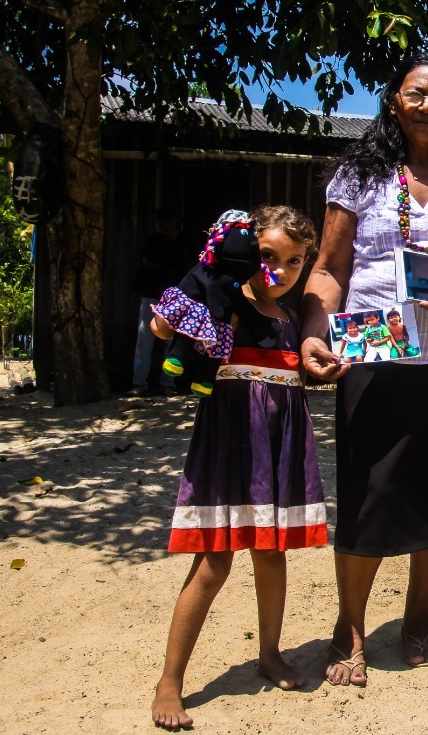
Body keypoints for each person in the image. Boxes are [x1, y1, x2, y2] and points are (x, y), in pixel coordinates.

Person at [300, 51, 428, 685]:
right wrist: (314, 331)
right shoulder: (358, 178)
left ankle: (419, 616)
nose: (427, 106)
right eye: (416, 93)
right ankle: (351, 626)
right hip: (375, 358)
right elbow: (330, 269)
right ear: (394, 99)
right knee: (369, 497)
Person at [150, 205, 326, 730]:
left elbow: (293, 378)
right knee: (213, 564)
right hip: (230, 448)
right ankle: (170, 680)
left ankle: (268, 653)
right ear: (246, 252)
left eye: (296, 261)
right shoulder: (223, 303)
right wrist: (209, 274)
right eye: (268, 256)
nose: (282, 270)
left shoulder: (291, 320)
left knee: (272, 557)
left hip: (277, 449)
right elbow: (163, 326)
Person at [131, 205, 192, 395]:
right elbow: (145, 261)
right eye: (159, 222)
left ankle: (168, 384)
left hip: (175, 299)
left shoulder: (185, 244)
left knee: (171, 343)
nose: (162, 226)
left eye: (165, 222)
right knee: (144, 340)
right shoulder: (155, 241)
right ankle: (139, 384)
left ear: (175, 222)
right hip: (152, 296)